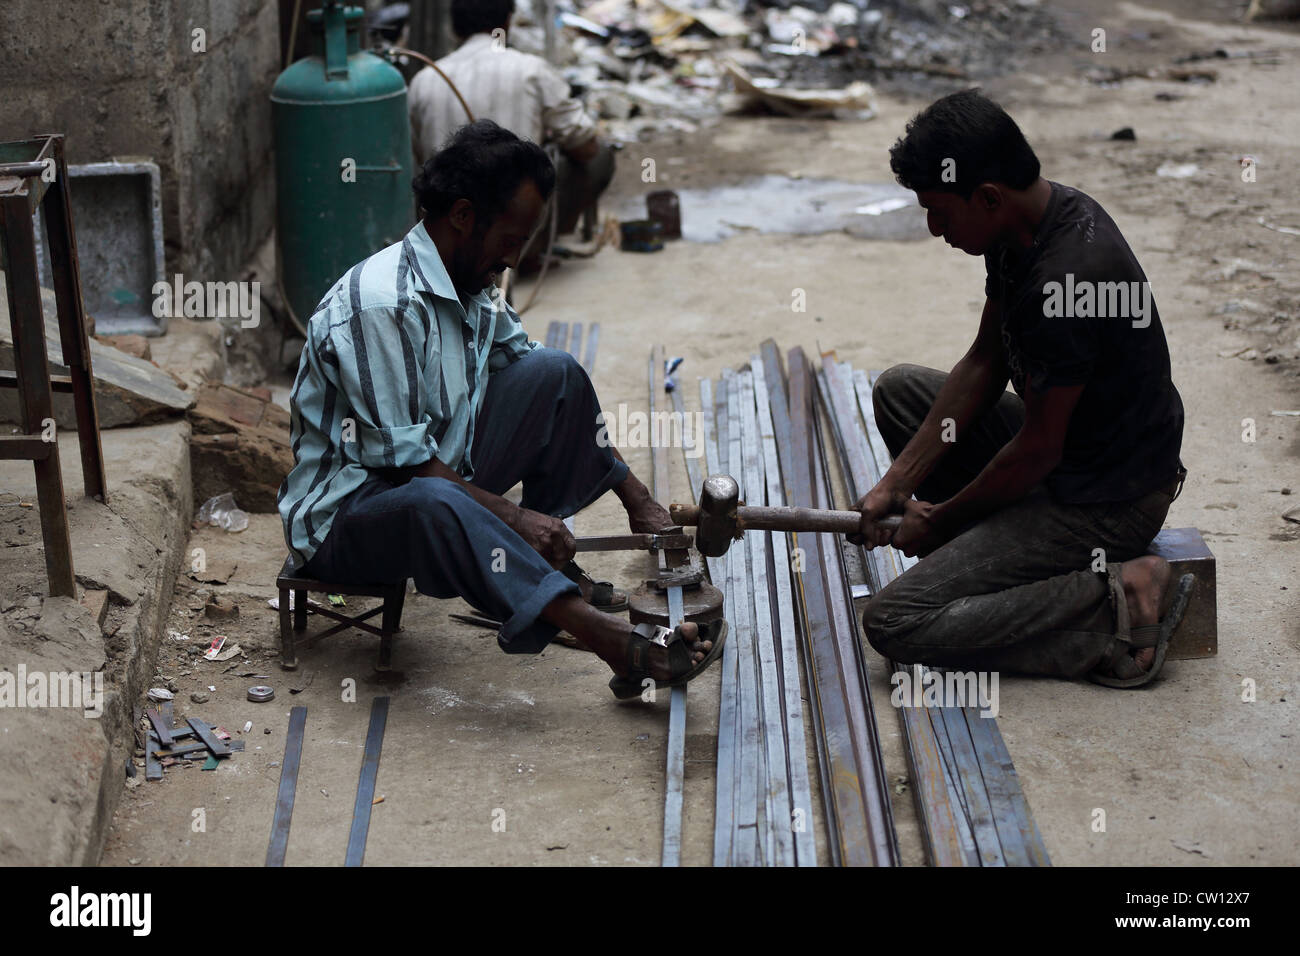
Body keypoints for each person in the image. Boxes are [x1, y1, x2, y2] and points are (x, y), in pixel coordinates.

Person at [277, 120, 722, 698]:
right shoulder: (381, 304)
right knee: (432, 497)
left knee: (554, 371)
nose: (512, 259)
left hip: (438, 477)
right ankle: (611, 641)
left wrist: (634, 494)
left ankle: (544, 575)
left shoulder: (472, 284)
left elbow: (536, 373)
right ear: (462, 216)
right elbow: (408, 470)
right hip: (348, 522)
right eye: (509, 239)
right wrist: (516, 518)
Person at [854, 89, 1192, 689]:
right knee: (900, 392)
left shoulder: (1069, 278)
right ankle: (995, 565)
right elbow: (985, 360)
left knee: (896, 621)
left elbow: (1037, 451)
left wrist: (941, 520)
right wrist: (895, 484)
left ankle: (1112, 598)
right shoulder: (1022, 227)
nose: (934, 229)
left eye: (939, 211)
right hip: (1078, 454)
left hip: (1108, 500)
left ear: (987, 197)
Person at [407, 0, 613, 270]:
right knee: (599, 155)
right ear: (506, 23)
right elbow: (585, 146)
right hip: (508, 214)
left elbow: (418, 157)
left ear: (454, 30)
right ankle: (530, 247)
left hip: (448, 224)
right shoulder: (531, 69)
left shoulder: (425, 79)